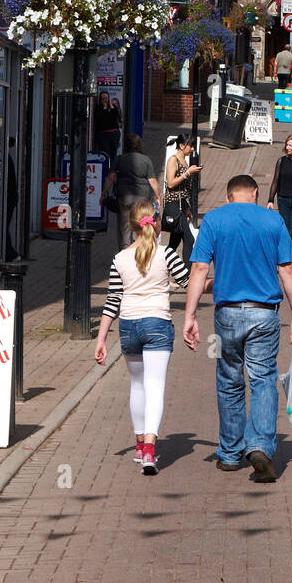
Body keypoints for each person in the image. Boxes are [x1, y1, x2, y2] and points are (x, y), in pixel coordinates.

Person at [183, 174, 292, 483]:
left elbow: (199, 268)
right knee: (263, 379)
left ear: (228, 197)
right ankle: (261, 446)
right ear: (254, 193)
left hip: (226, 314)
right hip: (265, 314)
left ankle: (228, 453)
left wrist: (189, 316)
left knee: (229, 380)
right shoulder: (272, 220)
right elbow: (287, 269)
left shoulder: (214, 220)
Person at [95, 200, 190, 475]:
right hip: (158, 322)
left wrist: (102, 338)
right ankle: (150, 449)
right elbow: (187, 282)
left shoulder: (119, 259)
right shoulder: (166, 255)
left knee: (137, 386)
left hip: (128, 326)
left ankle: (139, 446)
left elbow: (113, 299)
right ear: (155, 223)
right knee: (155, 386)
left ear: (132, 225)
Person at [102, 134, 162, 252]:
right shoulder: (146, 160)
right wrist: (158, 196)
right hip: (142, 200)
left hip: (124, 198)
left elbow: (110, 177)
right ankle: (139, 252)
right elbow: (153, 181)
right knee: (141, 226)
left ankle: (125, 253)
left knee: (124, 229)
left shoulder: (119, 159)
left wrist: (104, 193)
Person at [163, 134, 202, 265]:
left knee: (174, 243)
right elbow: (170, 183)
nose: (192, 149)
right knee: (189, 239)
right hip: (173, 204)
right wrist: (188, 173)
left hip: (181, 204)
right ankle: (188, 275)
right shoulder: (173, 160)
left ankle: (161, 267)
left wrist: (188, 208)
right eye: (190, 145)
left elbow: (185, 189)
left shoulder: (185, 161)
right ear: (181, 145)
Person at [93, 90, 123, 165]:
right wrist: (105, 108)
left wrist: (111, 106)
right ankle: (106, 167)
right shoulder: (98, 108)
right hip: (103, 134)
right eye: (103, 99)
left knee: (113, 152)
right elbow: (101, 119)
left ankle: (112, 168)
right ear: (100, 100)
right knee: (106, 152)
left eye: (106, 98)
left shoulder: (113, 107)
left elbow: (116, 116)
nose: (105, 100)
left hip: (114, 133)